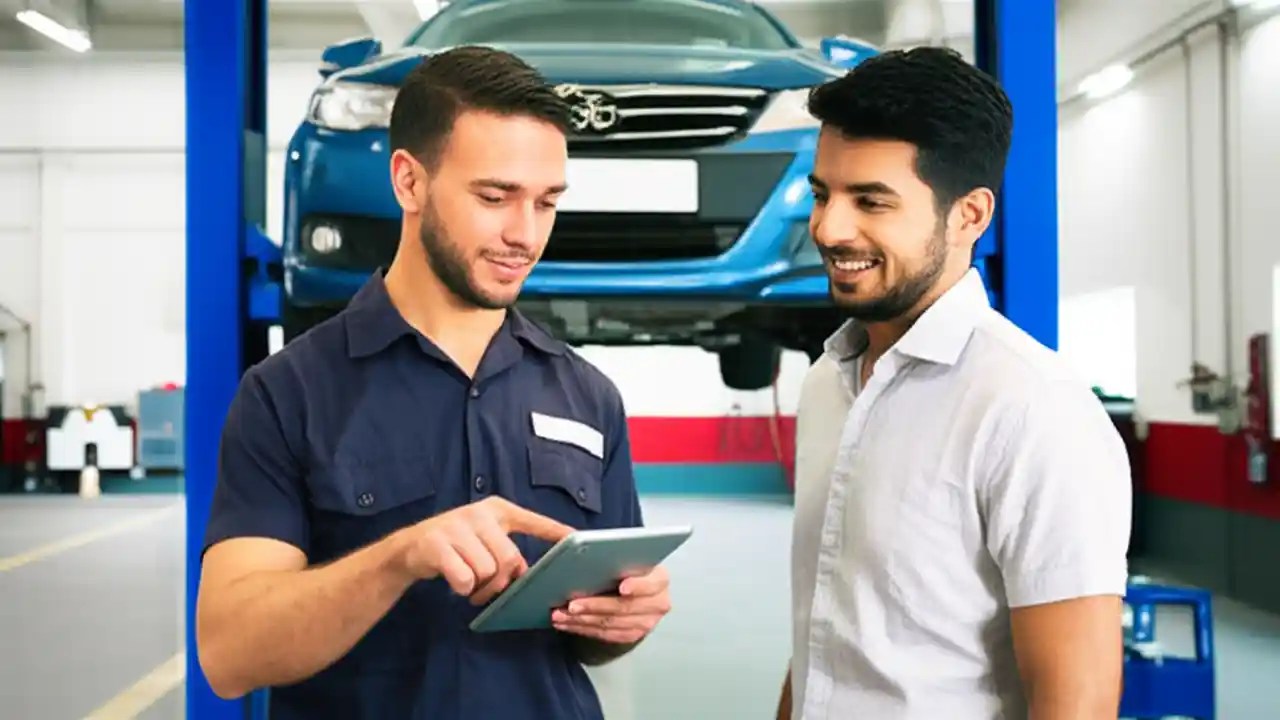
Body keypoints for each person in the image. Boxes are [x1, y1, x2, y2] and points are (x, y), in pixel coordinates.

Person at [195, 46, 672, 720]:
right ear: (408, 182)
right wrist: (399, 558)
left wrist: (621, 621)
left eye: (546, 202)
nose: (525, 234)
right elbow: (229, 653)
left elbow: (590, 632)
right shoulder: (287, 394)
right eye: (494, 196)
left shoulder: (588, 396)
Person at [777, 47, 1133, 720]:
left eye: (871, 202)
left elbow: (1077, 697)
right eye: (822, 194)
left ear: (969, 215)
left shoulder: (1032, 408)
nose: (828, 228)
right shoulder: (829, 381)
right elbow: (827, 637)